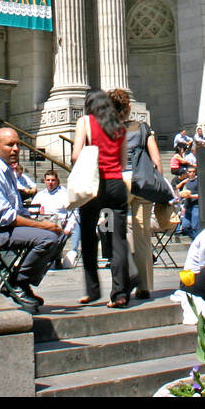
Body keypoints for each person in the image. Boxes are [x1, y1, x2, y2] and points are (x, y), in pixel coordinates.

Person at [0, 127, 65, 311]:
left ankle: (22, 282)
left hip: (10, 227)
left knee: (60, 234)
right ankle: (17, 283)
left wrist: (44, 221)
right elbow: (6, 217)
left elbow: (19, 210)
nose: (15, 149)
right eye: (10, 145)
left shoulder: (8, 169)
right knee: (48, 237)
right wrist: (42, 226)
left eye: (18, 144)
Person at [73, 88, 131, 307]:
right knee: (119, 240)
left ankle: (93, 290)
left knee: (89, 237)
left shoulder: (85, 121)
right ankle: (120, 293)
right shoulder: (120, 127)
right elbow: (124, 162)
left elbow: (76, 155)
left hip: (93, 184)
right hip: (116, 184)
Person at [112, 88, 171, 301]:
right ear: (128, 108)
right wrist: (159, 188)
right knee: (143, 236)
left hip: (118, 183)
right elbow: (156, 161)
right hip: (142, 183)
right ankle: (144, 286)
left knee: (114, 233)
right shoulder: (143, 128)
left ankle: (124, 280)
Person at [32, 169, 80, 267]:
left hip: (59, 225)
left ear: (57, 181)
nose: (50, 183)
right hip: (43, 224)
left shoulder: (64, 194)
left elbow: (74, 212)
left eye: (53, 180)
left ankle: (60, 256)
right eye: (48, 180)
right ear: (44, 181)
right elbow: (32, 212)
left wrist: (68, 228)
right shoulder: (40, 195)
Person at [175, 165, 200, 238]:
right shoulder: (187, 181)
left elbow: (201, 195)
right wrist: (182, 182)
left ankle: (196, 240)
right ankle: (193, 238)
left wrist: (191, 196)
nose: (191, 173)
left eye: (193, 172)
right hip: (187, 205)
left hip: (196, 206)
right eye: (189, 172)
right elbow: (176, 188)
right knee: (185, 226)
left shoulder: (198, 181)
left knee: (195, 226)